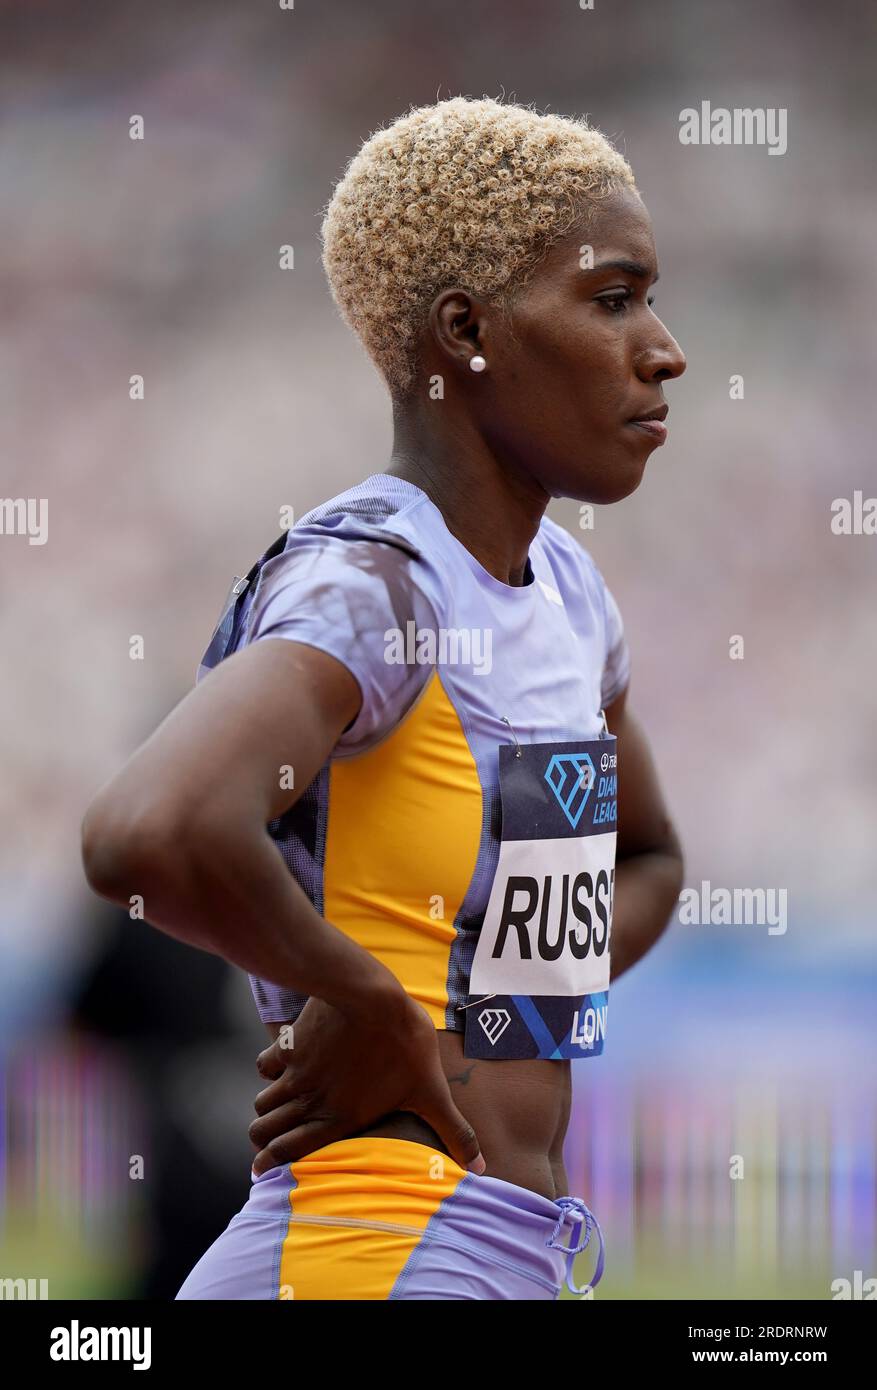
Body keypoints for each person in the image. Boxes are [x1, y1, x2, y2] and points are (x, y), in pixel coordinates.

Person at [81, 95, 686, 1300]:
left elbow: (649, 861)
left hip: (504, 1246)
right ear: (465, 330)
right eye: (612, 299)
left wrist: (483, 1011)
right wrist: (361, 1000)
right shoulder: (372, 584)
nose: (664, 347)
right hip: (362, 1250)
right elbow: (146, 831)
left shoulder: (567, 597)